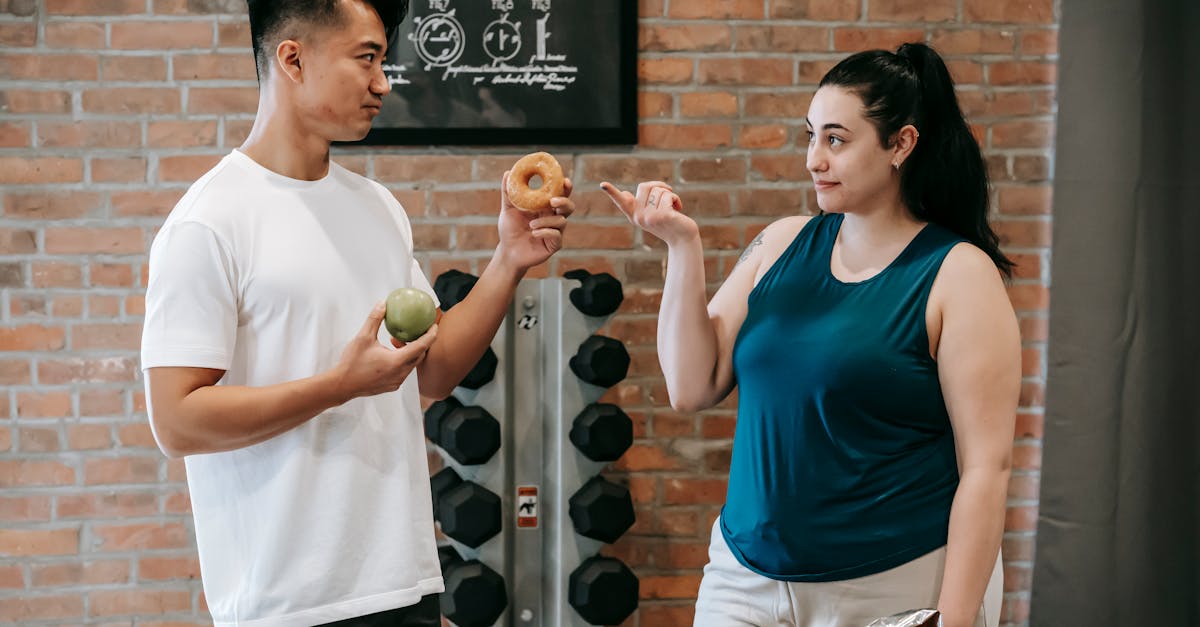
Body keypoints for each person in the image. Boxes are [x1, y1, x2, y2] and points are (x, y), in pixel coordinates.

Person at [139, 1, 574, 625]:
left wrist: (508, 260)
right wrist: (339, 386)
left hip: (405, 586)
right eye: (366, 58)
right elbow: (176, 421)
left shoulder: (377, 208)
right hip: (288, 605)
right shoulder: (208, 221)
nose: (383, 82)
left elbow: (435, 368)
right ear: (292, 58)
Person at [601, 42, 1019, 627]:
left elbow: (986, 469)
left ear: (901, 144)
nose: (813, 159)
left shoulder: (959, 274)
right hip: (744, 575)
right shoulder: (781, 244)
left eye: (837, 140)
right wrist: (681, 245)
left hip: (890, 585)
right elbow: (691, 386)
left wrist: (953, 620)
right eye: (811, 135)